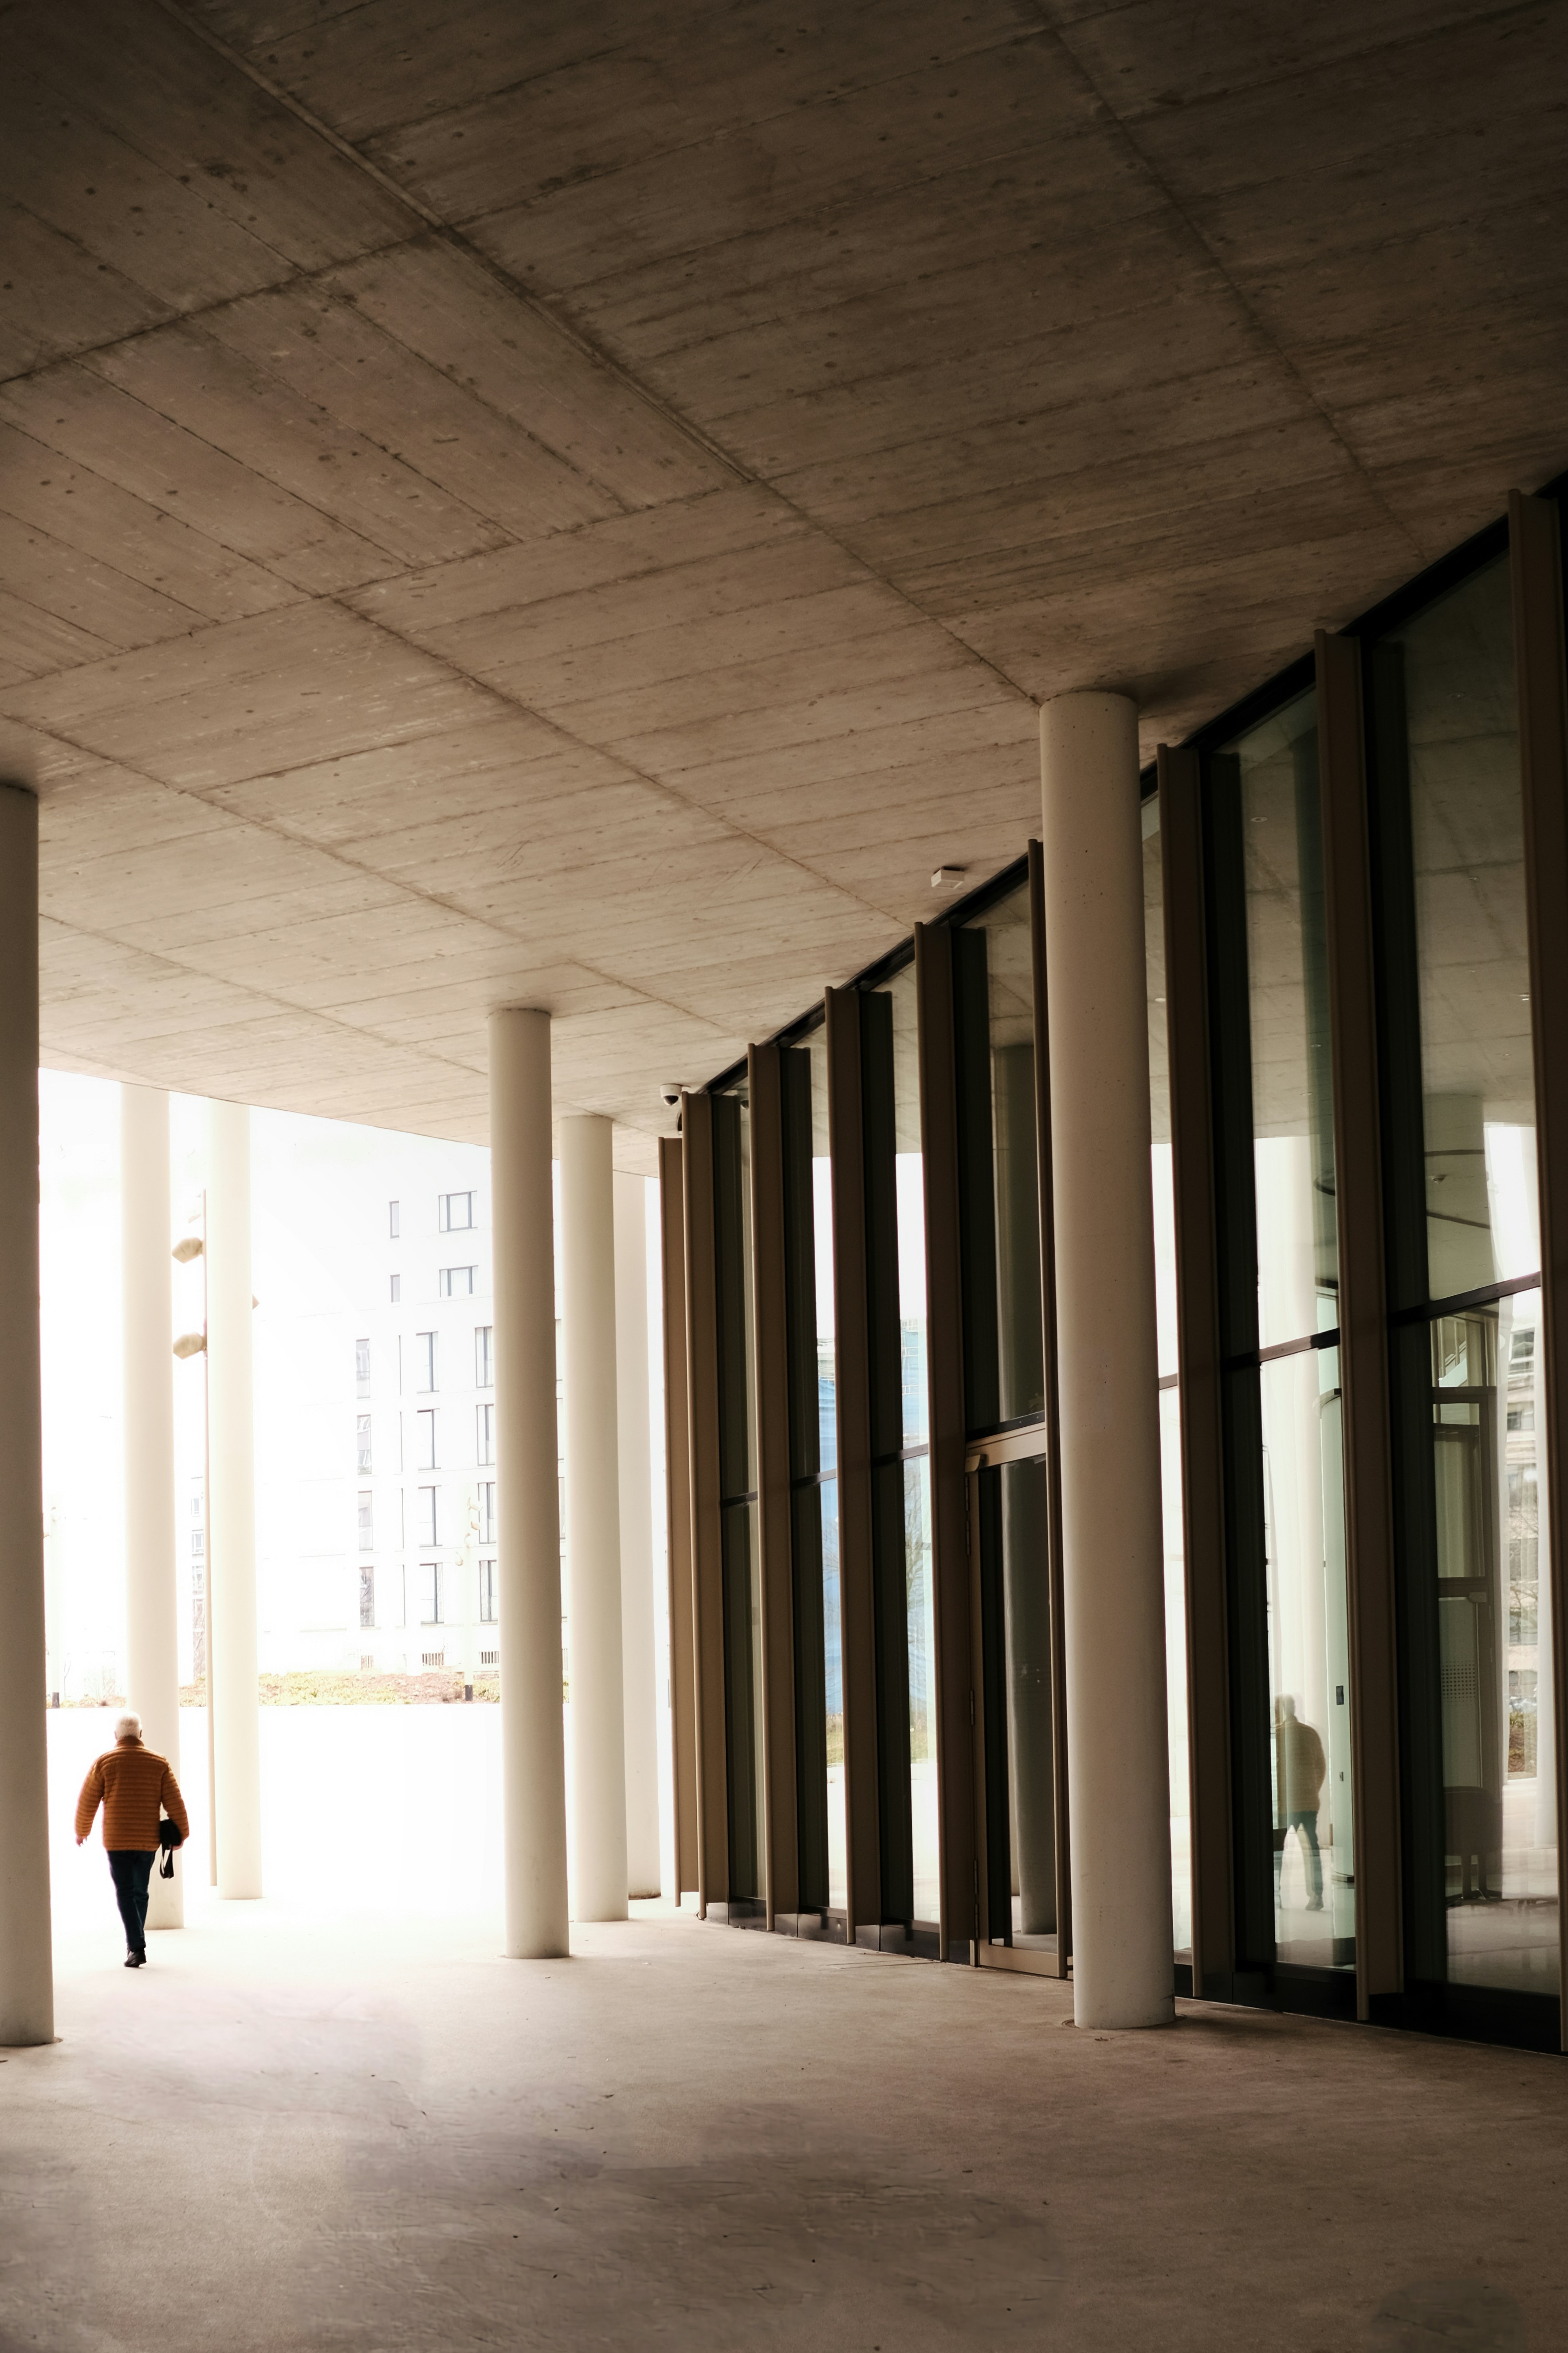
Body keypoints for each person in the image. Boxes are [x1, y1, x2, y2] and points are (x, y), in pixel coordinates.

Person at [75, 1711, 190, 1968]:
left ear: (116, 1736)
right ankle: (136, 1944)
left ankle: (136, 1947)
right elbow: (175, 1802)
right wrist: (181, 1833)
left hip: (116, 1840)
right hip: (147, 1840)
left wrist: (82, 1830)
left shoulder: (105, 1762)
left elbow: (88, 1800)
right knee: (141, 1891)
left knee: (125, 1892)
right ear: (140, 1734)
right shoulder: (159, 1763)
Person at [1274, 1695, 1328, 1912]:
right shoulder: (1310, 1733)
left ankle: (1275, 1895)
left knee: (1277, 1852)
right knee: (1312, 1851)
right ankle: (1317, 1896)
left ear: (1280, 1710)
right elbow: (1321, 1766)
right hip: (1308, 1803)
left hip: (1284, 1805)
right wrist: (1312, 1790)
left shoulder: (1278, 1735)